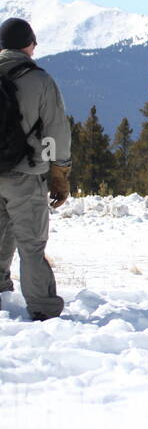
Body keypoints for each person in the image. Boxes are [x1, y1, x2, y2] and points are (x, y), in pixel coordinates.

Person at [0, 18, 72, 320]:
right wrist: (60, 173)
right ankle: (42, 308)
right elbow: (57, 132)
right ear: (28, 44)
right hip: (24, 175)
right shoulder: (39, 80)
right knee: (31, 245)